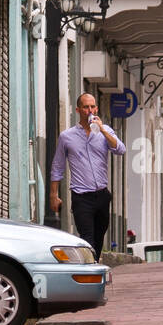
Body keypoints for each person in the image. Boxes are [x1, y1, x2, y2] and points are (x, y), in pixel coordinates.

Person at [50, 93, 126, 260]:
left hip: (102, 195)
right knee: (87, 237)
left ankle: (93, 267)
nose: (89, 110)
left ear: (96, 109)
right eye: (85, 107)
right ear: (78, 110)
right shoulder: (67, 136)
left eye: (92, 107)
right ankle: (89, 271)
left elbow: (120, 149)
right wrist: (54, 195)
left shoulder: (105, 132)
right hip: (81, 197)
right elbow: (57, 166)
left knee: (98, 238)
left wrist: (103, 130)